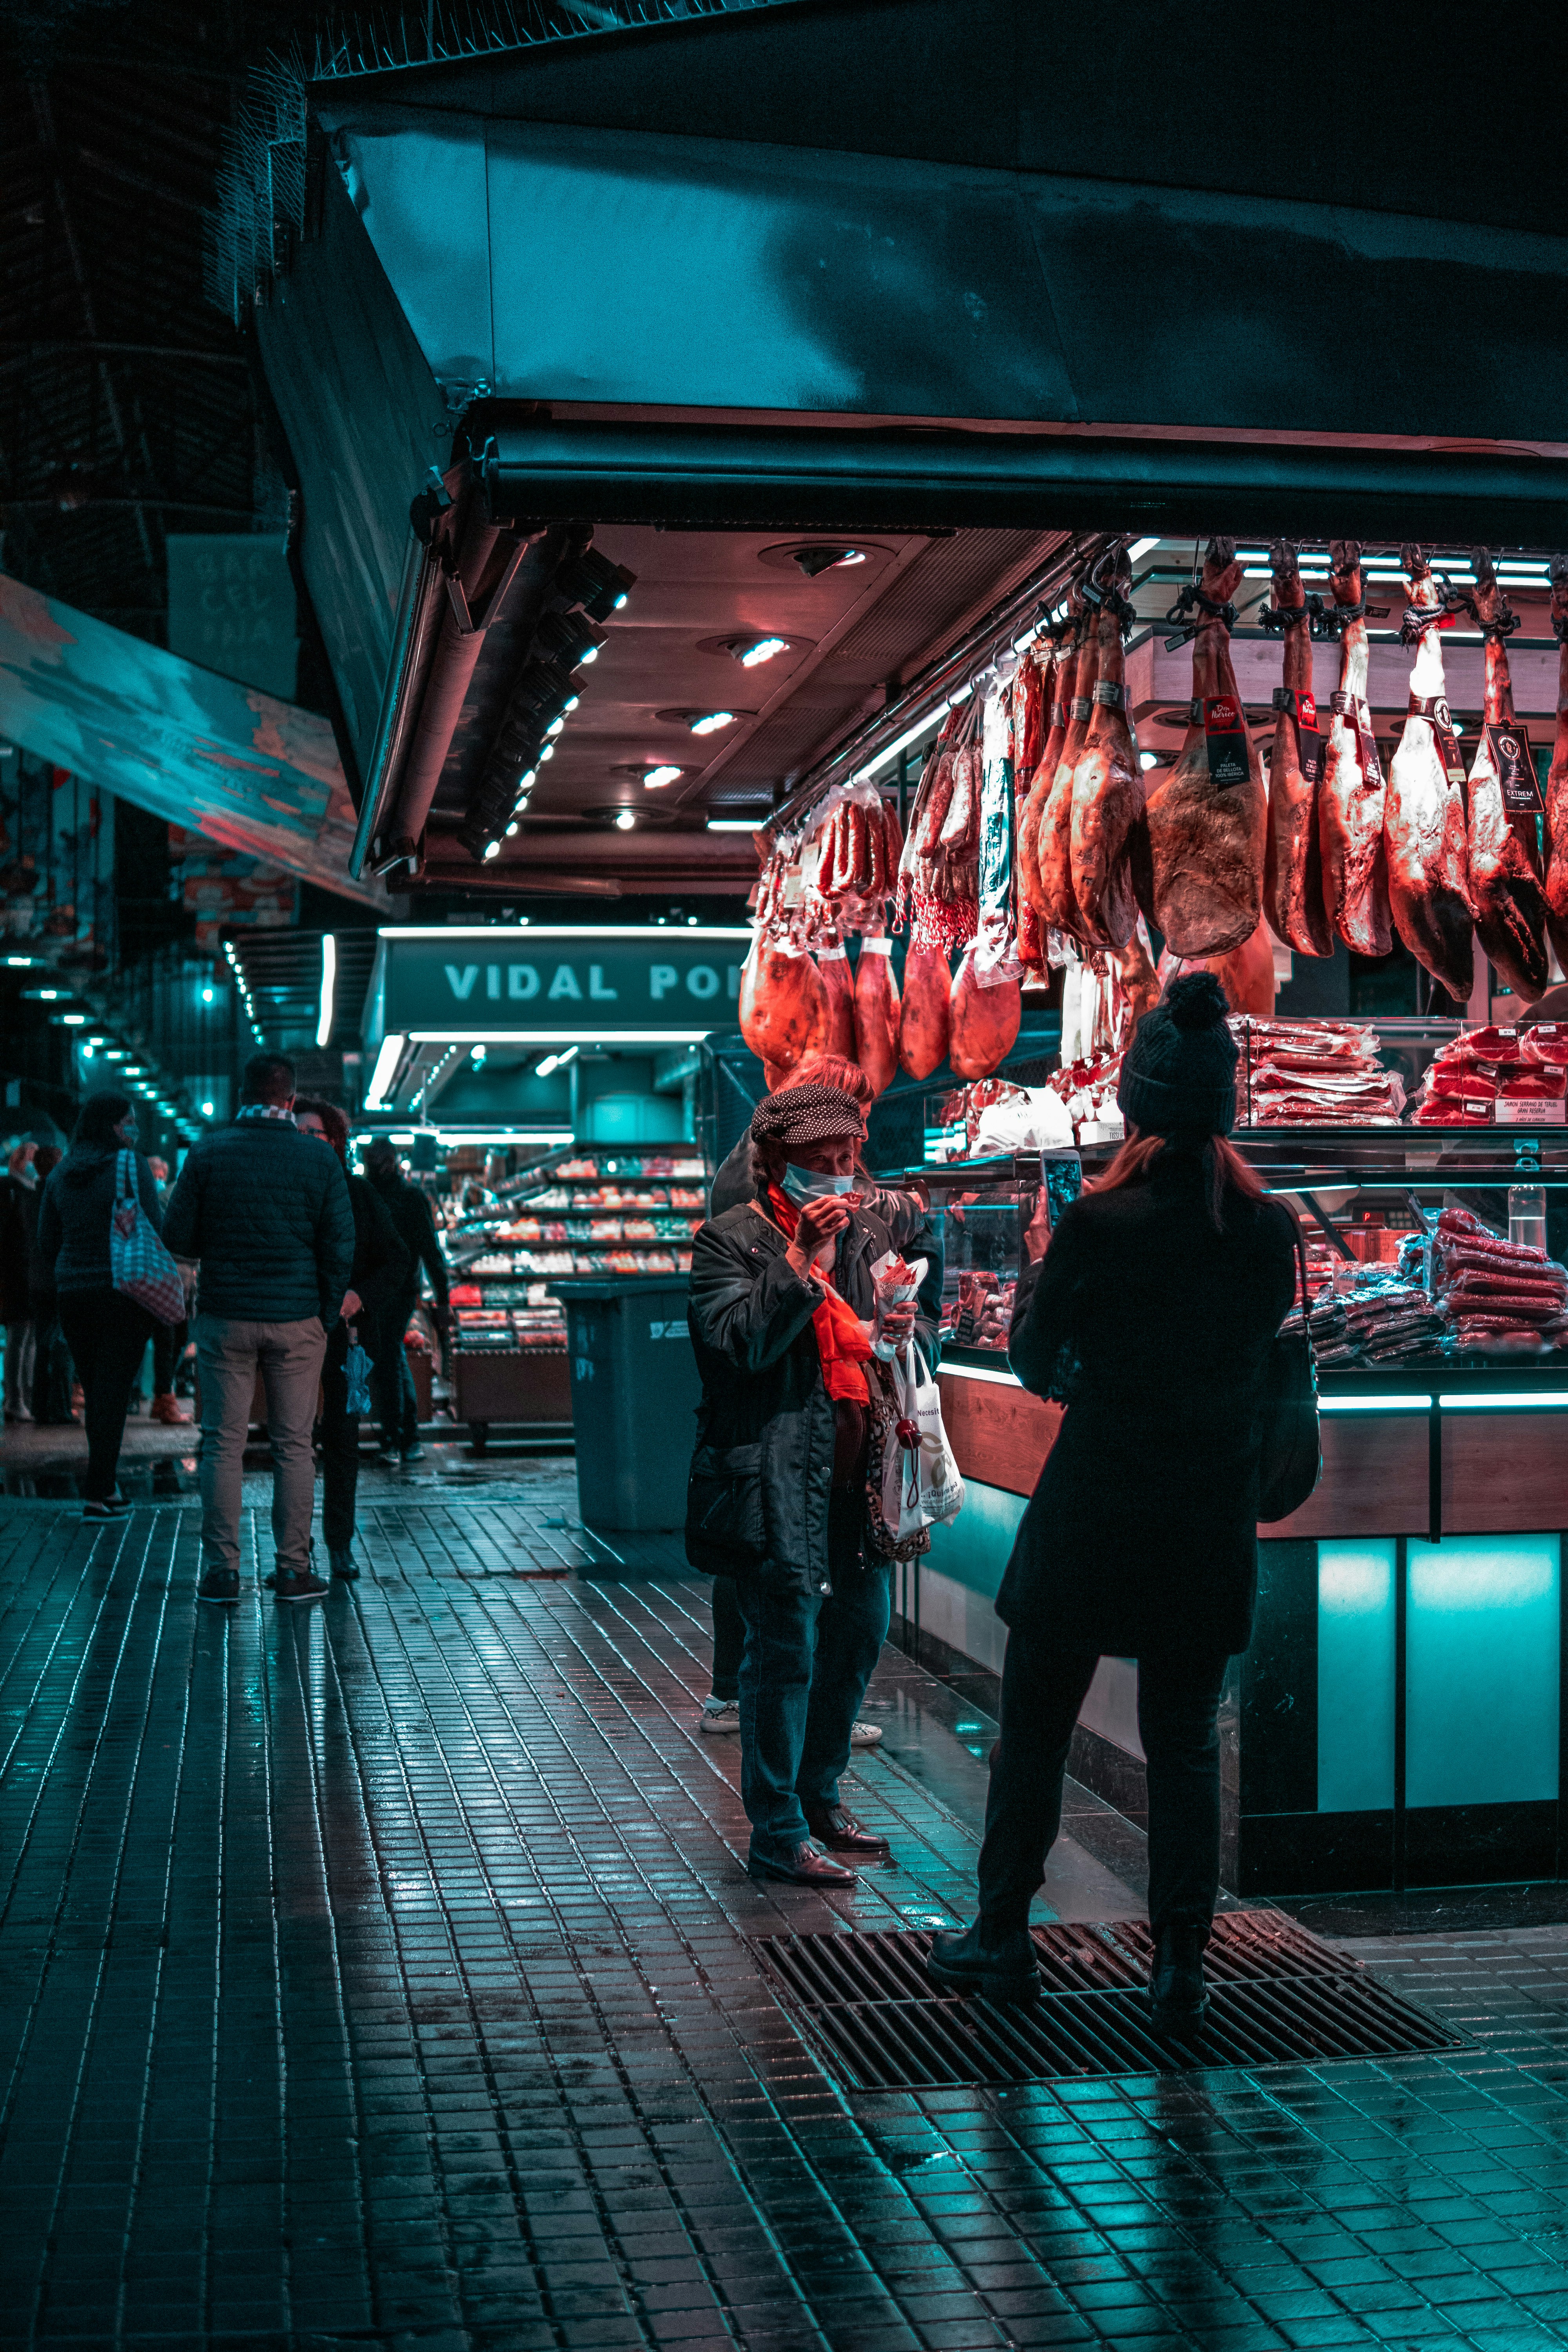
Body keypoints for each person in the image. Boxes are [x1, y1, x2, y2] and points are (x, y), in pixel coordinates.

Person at [926, 973, 1298, 2032]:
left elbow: (1040, 1361)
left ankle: (1001, 1936)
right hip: (1206, 1522)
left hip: (1093, 1515)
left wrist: (1086, 1357)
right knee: (1184, 1747)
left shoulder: (1098, 1222)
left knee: (1034, 1732)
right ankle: (1181, 1965)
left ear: (1135, 1105)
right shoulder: (1269, 1232)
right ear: (1222, 1105)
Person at [686, 1080, 934, 1886]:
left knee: (856, 1643)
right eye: (817, 1165)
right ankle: (777, 1833)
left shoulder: (864, 1234)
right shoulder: (727, 1241)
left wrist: (895, 1327)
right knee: (782, 1655)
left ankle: (821, 1798)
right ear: (775, 1164)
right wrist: (798, 1261)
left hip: (855, 1480)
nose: (835, 1177)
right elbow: (736, 1350)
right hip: (775, 1480)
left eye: (845, 1161)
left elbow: (884, 1338)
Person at [162, 1052, 355, 1605]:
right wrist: (323, 1312)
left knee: (222, 1443)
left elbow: (179, 1235)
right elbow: (339, 1245)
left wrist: (222, 1248)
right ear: (291, 1101)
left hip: (226, 1317)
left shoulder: (208, 1152)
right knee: (295, 1445)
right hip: (297, 1320)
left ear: (240, 1096)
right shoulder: (318, 1160)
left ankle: (222, 1572)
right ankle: (294, 1570)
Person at [293, 1098, 409, 1579]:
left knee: (342, 1441)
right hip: (293, 1333)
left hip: (349, 1336)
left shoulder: (358, 1194)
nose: (302, 1141)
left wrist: (359, 1296)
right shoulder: (284, 1191)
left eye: (313, 1134)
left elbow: (396, 1260)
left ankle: (339, 1544)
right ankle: (293, 1553)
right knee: (294, 1442)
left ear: (336, 1142)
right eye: (294, 1131)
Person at [36, 1094, 164, 1517]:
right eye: (129, 1122)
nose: (134, 1130)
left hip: (74, 1293)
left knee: (96, 1389)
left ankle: (106, 1488)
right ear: (113, 1126)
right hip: (124, 1292)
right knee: (112, 1391)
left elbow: (47, 1242)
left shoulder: (62, 1173)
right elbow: (155, 1227)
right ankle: (97, 1490)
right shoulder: (132, 1165)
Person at [362, 1139, 449, 1464]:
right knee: (392, 1358)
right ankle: (408, 1439)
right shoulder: (411, 1196)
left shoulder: (367, 1193)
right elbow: (430, 1249)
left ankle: (395, 1440)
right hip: (399, 1291)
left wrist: (443, 1298)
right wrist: (443, 1297)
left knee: (386, 1362)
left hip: (380, 1292)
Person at [26, 1144, 72, 1424]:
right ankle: (61, 1407)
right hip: (58, 1278)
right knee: (62, 1344)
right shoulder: (59, 1196)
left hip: (35, 1279)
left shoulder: (29, 1195)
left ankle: (39, 1406)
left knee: (42, 1344)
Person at [1, 1142, 38, 1421]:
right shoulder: (14, 1190)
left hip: (22, 1272)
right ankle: (16, 1398)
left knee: (24, 1337)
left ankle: (20, 1397)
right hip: (17, 1273)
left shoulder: (23, 1189)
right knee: (20, 1336)